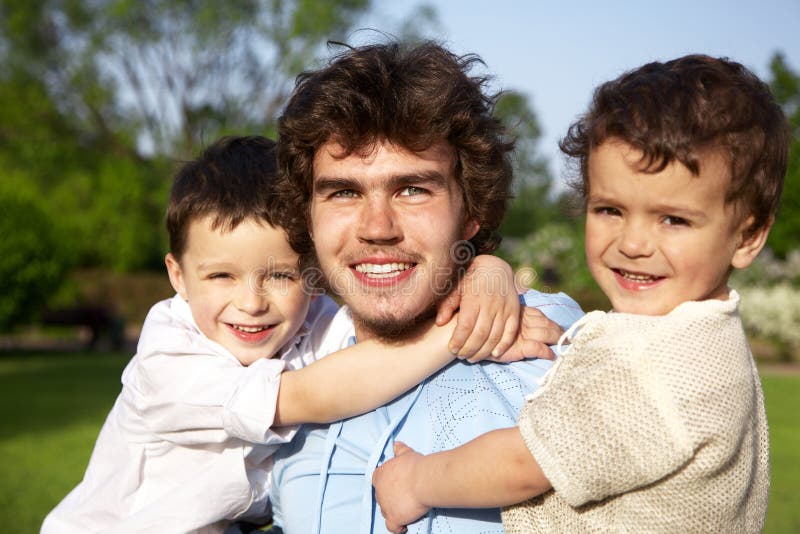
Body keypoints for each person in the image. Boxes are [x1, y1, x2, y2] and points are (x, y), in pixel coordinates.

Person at [41, 136, 554, 534]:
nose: (252, 302)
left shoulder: (308, 320)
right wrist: (462, 332)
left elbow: (380, 336)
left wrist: (484, 272)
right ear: (177, 276)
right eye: (221, 276)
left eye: (280, 276)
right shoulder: (168, 357)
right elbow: (309, 395)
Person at [372, 54, 790, 533]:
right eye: (610, 210)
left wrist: (416, 481)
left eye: (673, 219)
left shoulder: (658, 369)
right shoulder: (703, 338)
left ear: (747, 237)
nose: (633, 243)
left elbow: (521, 465)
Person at [267, 41, 585, 534]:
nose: (377, 228)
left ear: (471, 210)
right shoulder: (278, 392)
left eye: (412, 189)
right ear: (309, 219)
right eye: (344, 192)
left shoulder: (558, 348)